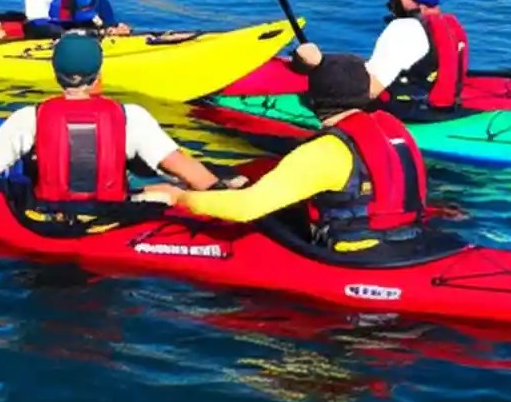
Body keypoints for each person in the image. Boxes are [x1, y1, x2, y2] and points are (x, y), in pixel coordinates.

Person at [145, 44, 449, 260]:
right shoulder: (392, 129)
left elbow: (245, 209)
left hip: (358, 258)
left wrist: (179, 198)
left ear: (314, 101)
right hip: (413, 241)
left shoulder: (326, 151)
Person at [0, 33, 225, 210]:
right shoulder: (131, 117)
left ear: (55, 75)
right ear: (98, 74)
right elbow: (199, 179)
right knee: (170, 191)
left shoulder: (28, 118)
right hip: (112, 218)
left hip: (48, 219)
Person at [350, 0, 468, 116]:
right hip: (441, 111)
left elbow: (369, 91)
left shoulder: (404, 29)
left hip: (408, 116)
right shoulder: (450, 24)